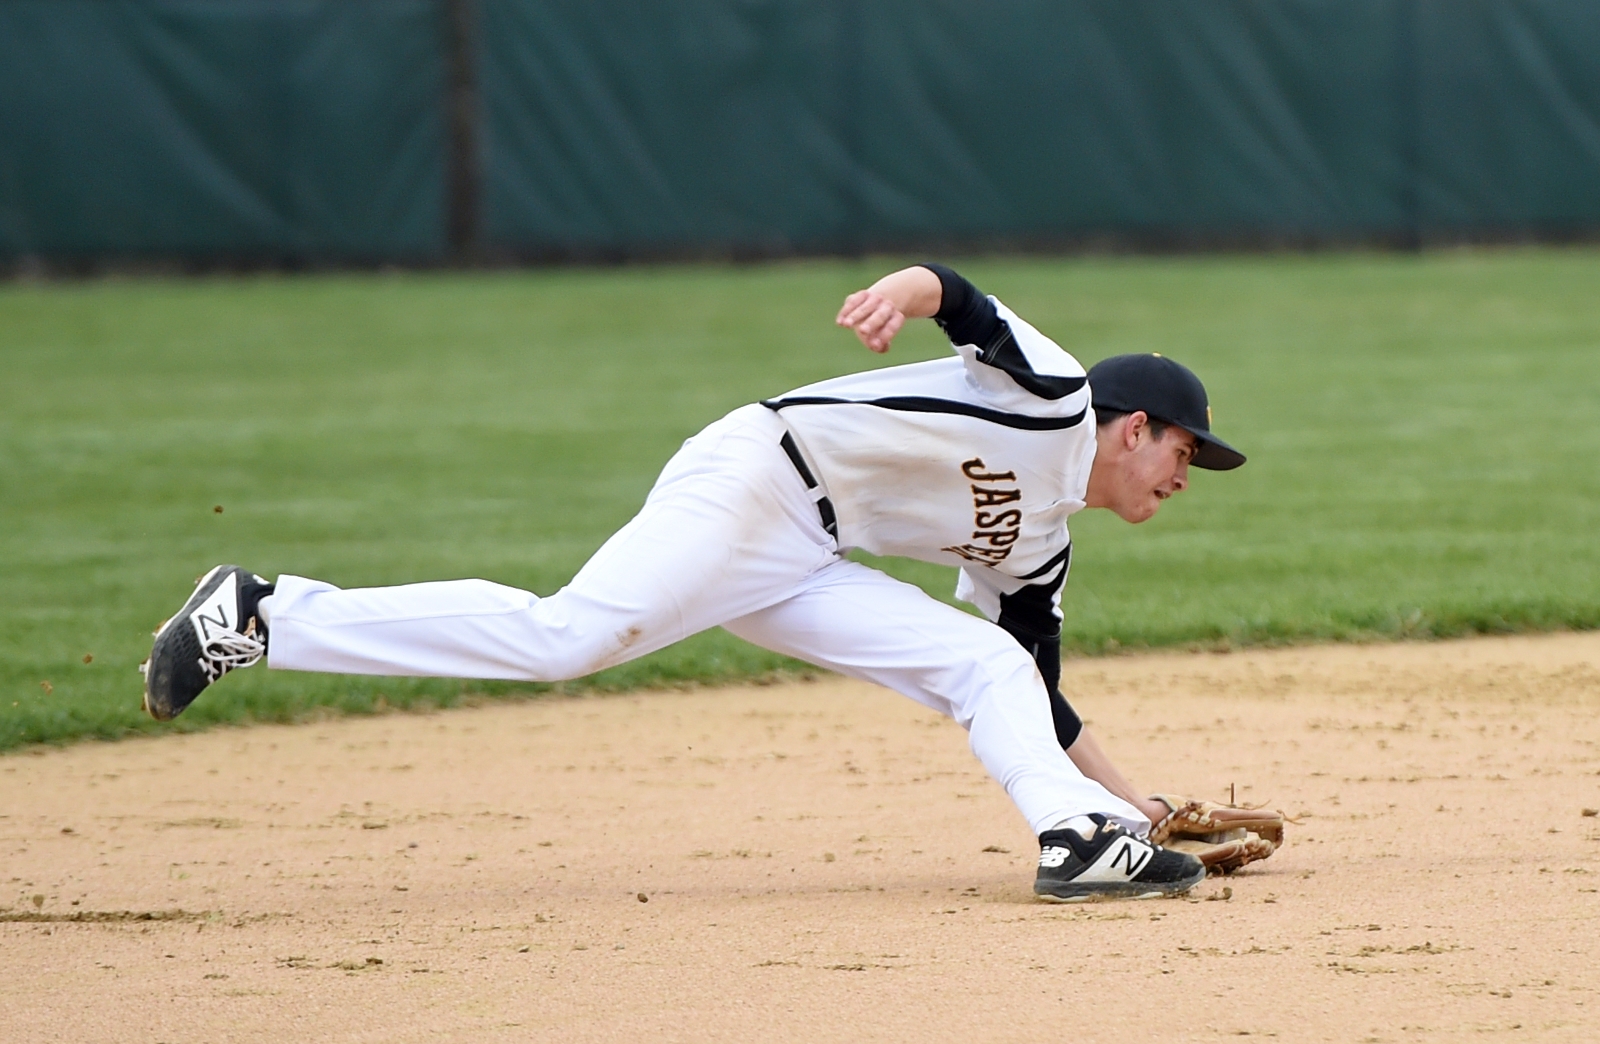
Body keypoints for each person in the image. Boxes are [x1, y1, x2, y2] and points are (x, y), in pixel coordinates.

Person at [141, 264, 1245, 901]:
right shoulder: (1053, 396)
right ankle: (260, 614)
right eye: (1184, 454)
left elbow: (1035, 691)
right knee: (564, 640)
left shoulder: (1039, 550)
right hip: (753, 479)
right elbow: (961, 299)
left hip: (805, 553)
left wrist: (1125, 801)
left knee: (984, 662)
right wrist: (896, 294)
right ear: (1133, 427)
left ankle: (1078, 841)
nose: (1184, 478)